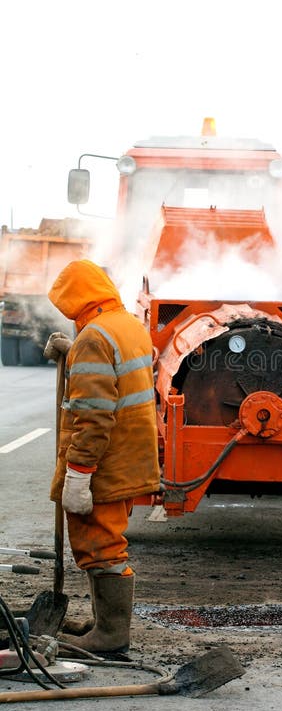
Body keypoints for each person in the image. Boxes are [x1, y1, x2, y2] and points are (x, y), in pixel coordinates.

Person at [44, 259, 160, 656]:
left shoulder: (94, 338)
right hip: (132, 457)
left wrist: (78, 474)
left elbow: (93, 418)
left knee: (100, 542)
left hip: (105, 463)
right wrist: (73, 350)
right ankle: (103, 621)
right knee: (106, 537)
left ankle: (111, 635)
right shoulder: (126, 324)